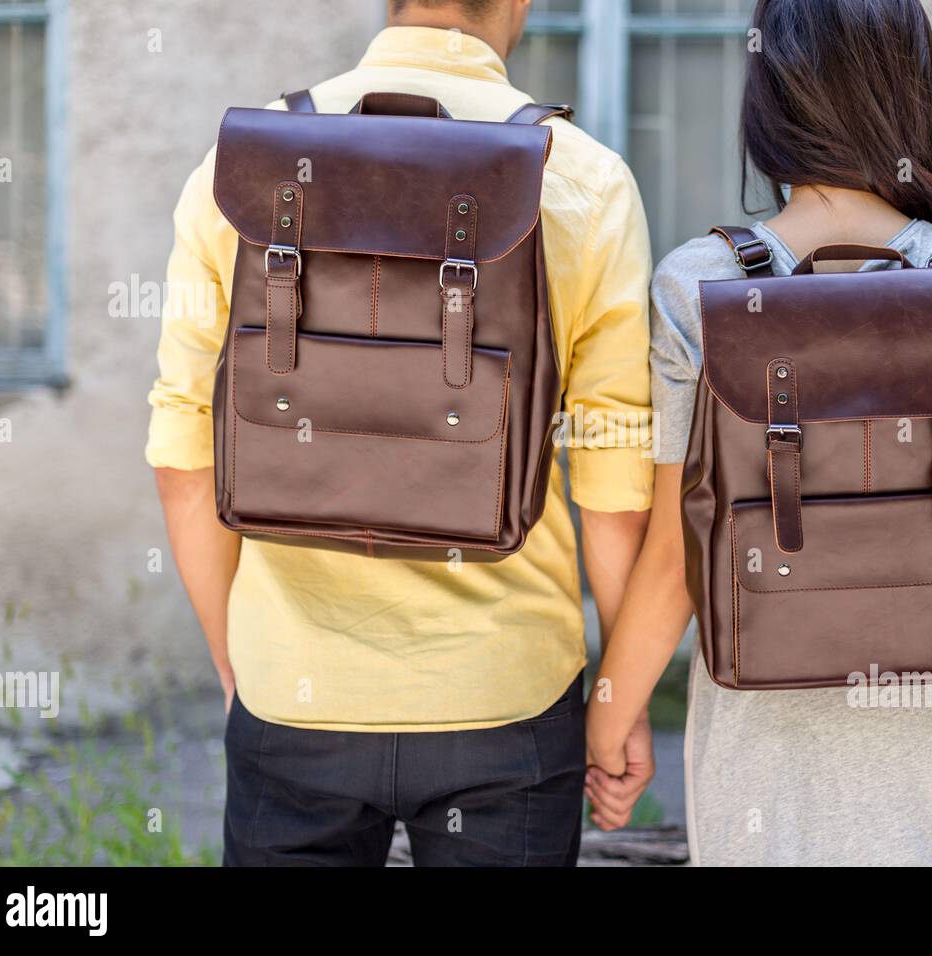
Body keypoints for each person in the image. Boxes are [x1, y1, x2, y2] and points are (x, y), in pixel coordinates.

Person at [147, 0, 655, 866]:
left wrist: (242, 672)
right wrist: (621, 697)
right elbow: (612, 474)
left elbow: (184, 448)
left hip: (294, 695)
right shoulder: (583, 179)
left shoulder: (239, 167)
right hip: (505, 699)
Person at [584, 0, 932, 866]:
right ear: (913, 91)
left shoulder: (696, 287)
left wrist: (611, 720)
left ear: (768, 99)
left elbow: (675, 555)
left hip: (756, 771)